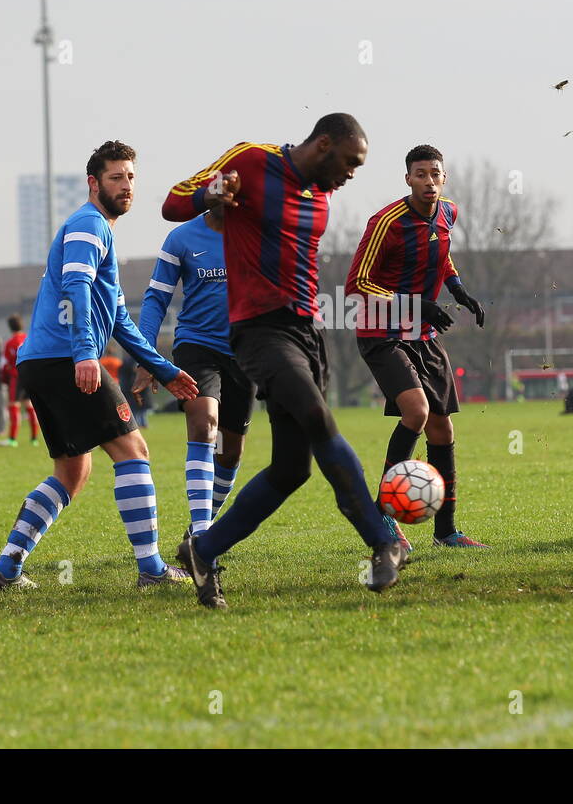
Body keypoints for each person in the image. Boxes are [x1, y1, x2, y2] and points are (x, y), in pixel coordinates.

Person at [161, 113, 405, 609]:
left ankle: (203, 550)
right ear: (323, 144)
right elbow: (171, 202)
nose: (352, 174)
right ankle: (384, 540)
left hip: (307, 333)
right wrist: (210, 196)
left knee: (292, 469)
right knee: (318, 417)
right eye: (350, 163)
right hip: (258, 332)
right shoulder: (250, 160)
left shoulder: (323, 192)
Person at [0, 140, 199, 591]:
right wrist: (85, 353)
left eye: (131, 177)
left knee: (72, 471)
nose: (126, 185)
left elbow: (117, 317)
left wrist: (161, 368)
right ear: (93, 182)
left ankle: (7, 568)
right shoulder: (88, 224)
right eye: (116, 177)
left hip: (42, 363)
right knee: (133, 450)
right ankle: (152, 569)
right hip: (65, 358)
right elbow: (77, 284)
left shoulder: (98, 231)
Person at [345, 144, 487, 551]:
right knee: (418, 412)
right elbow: (357, 285)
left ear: (444, 178)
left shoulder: (448, 213)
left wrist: (458, 291)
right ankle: (382, 515)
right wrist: (415, 303)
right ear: (407, 178)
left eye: (435, 173)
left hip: (422, 334)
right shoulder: (385, 222)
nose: (429, 180)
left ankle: (447, 532)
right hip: (381, 332)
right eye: (420, 174)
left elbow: (441, 257)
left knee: (442, 429)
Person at [139, 206, 256, 541]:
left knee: (230, 451)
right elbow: (156, 298)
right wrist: (146, 355)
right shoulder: (181, 237)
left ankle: (199, 530)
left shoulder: (257, 232)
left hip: (245, 351)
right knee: (204, 422)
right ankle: (205, 533)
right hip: (196, 344)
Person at [0, 314, 39, 447]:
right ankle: (34, 439)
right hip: (31, 376)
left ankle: (12, 439)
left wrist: (4, 379)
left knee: (14, 405)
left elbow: (4, 365)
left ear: (10, 327)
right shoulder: (30, 339)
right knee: (29, 405)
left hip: (16, 377)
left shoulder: (10, 343)